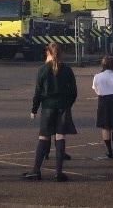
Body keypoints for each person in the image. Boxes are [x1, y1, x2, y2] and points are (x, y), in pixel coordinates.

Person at [23, 41, 77, 182]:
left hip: (47, 107)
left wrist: (34, 109)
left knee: (44, 137)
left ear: (48, 53)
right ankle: (58, 172)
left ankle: (36, 170)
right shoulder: (67, 69)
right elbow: (74, 92)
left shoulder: (43, 70)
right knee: (60, 137)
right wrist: (68, 104)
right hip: (63, 107)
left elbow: (38, 92)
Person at [93, 54, 113, 159]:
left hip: (103, 100)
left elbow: (95, 88)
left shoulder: (97, 76)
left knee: (105, 127)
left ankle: (109, 150)